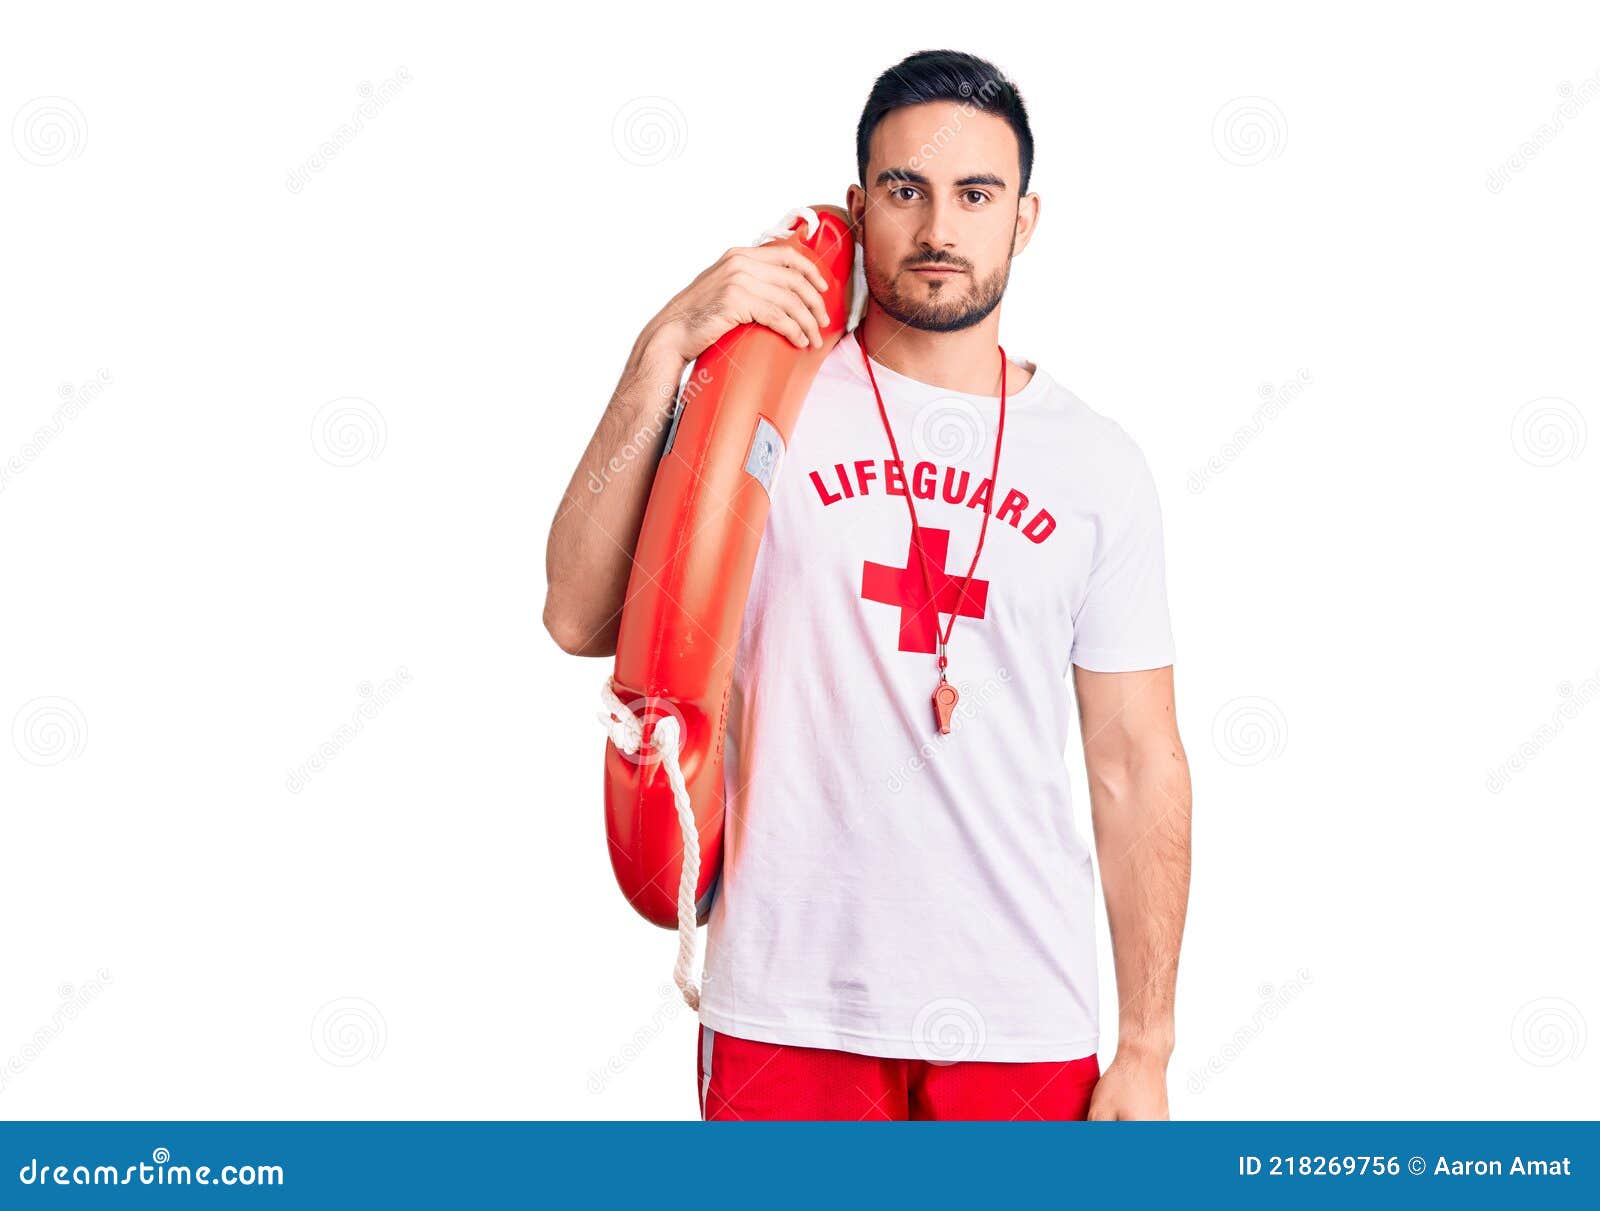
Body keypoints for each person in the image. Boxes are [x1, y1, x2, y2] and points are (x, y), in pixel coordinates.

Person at [544, 49, 1192, 1121]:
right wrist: (663, 343)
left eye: (975, 194)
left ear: (1023, 219)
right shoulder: (760, 401)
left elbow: (1135, 760)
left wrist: (1147, 1044)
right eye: (906, 189)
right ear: (859, 205)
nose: (940, 226)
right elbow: (575, 612)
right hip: (784, 1010)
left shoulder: (1098, 464)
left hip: (1022, 1015)